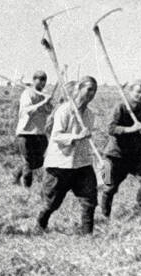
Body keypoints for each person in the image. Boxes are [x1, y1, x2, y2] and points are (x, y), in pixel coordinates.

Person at [36, 77, 99, 233]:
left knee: (89, 199)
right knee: (52, 203)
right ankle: (40, 224)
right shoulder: (64, 110)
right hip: (60, 163)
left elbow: (85, 141)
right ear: (79, 89)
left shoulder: (90, 115)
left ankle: (87, 234)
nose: (92, 93)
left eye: (94, 90)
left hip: (81, 163)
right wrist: (77, 137)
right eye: (89, 89)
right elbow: (56, 136)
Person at [98, 80, 141, 219]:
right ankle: (104, 217)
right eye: (138, 92)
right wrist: (130, 129)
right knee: (108, 187)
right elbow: (110, 129)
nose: (140, 95)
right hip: (114, 155)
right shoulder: (121, 107)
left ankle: (138, 209)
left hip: (135, 155)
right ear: (130, 92)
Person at [13, 71, 53, 187]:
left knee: (39, 162)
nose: (42, 82)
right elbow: (28, 111)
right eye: (39, 79)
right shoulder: (27, 93)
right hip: (26, 133)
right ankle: (27, 189)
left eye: (44, 79)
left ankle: (16, 174)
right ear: (34, 80)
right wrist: (43, 102)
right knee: (28, 163)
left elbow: (48, 111)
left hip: (40, 132)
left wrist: (48, 102)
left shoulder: (42, 94)